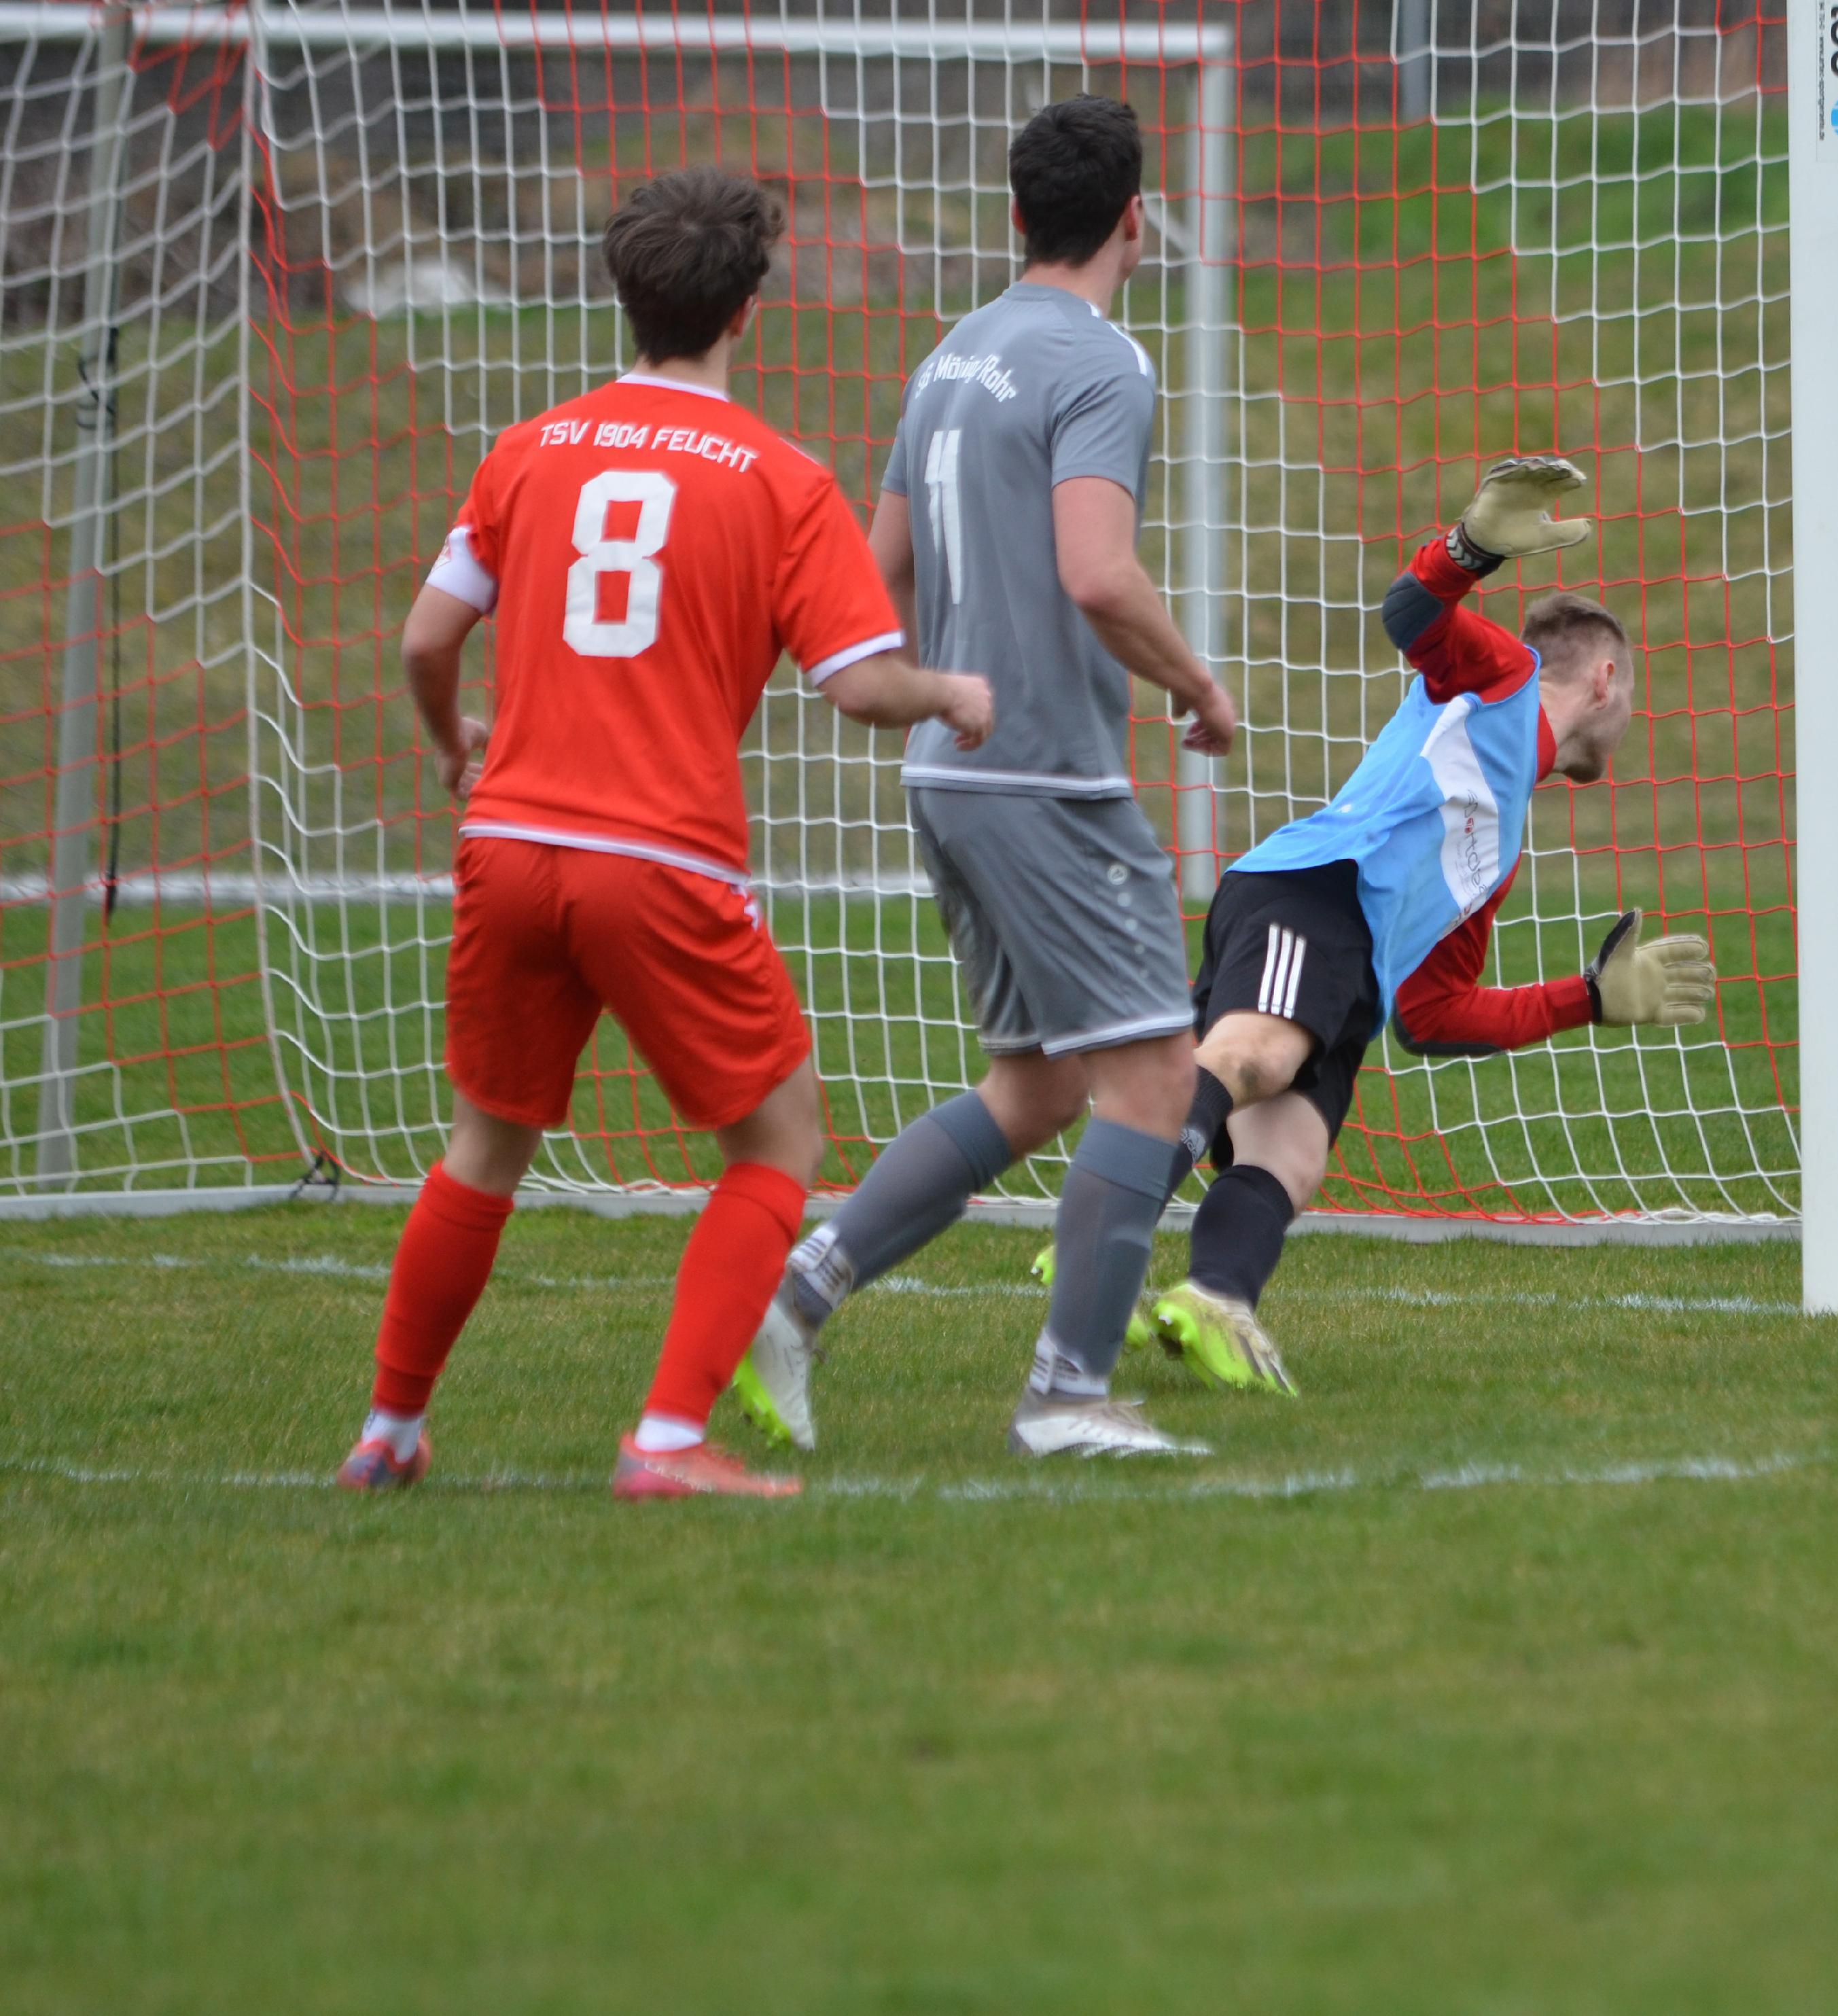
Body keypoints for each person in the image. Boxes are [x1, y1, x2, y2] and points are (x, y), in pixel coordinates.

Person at [332, 169, 994, 1499]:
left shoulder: (530, 447)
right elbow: (861, 685)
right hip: (659, 856)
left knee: (486, 1142)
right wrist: (952, 692)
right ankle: (669, 1437)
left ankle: (390, 1430)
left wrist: (454, 740)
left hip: (509, 843)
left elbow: (422, 637)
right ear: (749, 306)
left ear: (624, 294)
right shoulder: (782, 478)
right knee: (779, 1137)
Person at [734, 95, 1240, 1460]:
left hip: (949, 774)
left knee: (1034, 1087)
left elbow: (868, 574)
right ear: (1134, 216)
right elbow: (1096, 571)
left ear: (1019, 216)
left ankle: (794, 1295)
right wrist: (1194, 683)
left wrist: (929, 680)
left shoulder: (951, 356)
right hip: (1047, 783)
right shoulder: (1102, 362)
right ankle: (1066, 1390)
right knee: (1151, 1076)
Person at [1137, 456, 1715, 1392]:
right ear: (1605, 680)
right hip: (1313, 890)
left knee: (1290, 1155)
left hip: (1351, 965)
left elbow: (1432, 1016)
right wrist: (1472, 548)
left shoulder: (1499, 843)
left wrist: (1591, 1001)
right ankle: (1104, 1242)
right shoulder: (1507, 676)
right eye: (1634, 697)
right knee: (1255, 1062)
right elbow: (1411, 615)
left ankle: (1215, 1300)